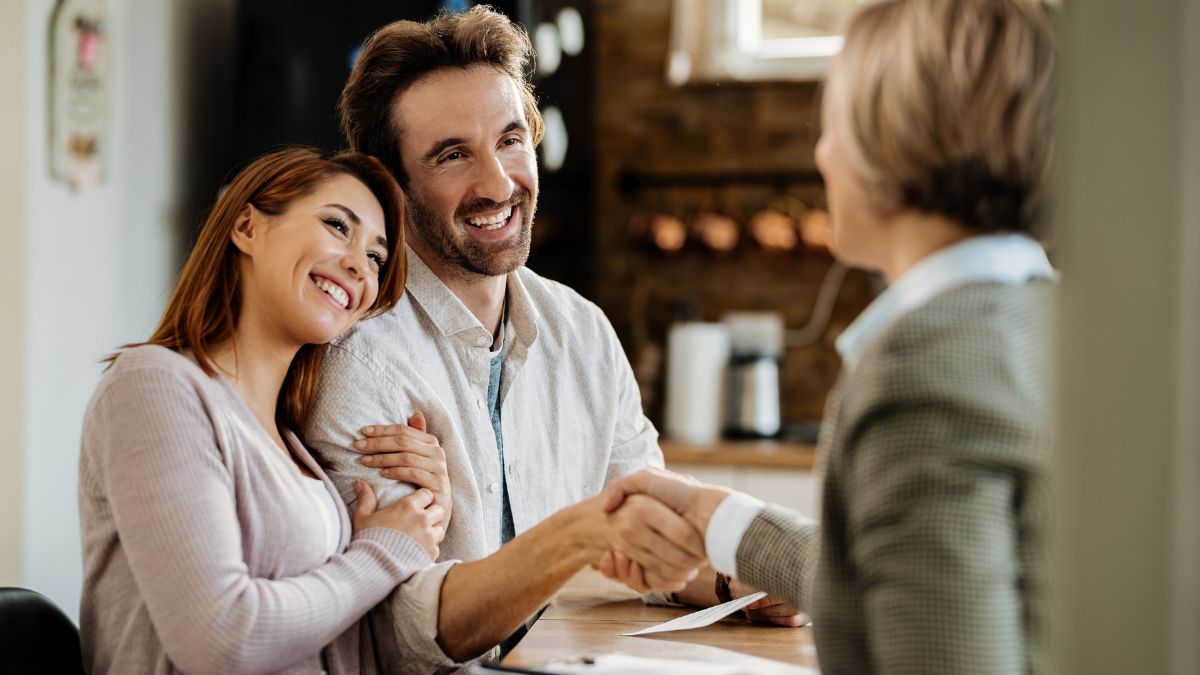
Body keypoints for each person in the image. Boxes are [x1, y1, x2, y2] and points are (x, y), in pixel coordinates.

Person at [302, 7, 798, 672]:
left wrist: (735, 587)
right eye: (453, 155)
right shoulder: (358, 357)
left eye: (511, 140)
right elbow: (402, 629)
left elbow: (643, 520)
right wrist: (579, 533)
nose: (499, 184)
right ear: (389, 184)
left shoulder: (582, 330)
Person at [604, 0, 1059, 673]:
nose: (821, 151)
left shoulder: (925, 367)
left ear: (892, 140)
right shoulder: (1049, 318)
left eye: (834, 122)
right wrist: (718, 515)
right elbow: (913, 577)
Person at [78, 148, 449, 675]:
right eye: (337, 225)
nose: (357, 265)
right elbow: (220, 639)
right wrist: (383, 553)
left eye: (376, 257)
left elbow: (333, 623)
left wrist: (428, 511)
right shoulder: (153, 386)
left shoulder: (291, 443)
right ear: (247, 227)